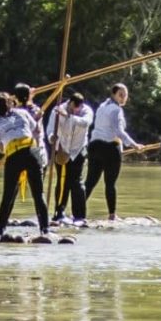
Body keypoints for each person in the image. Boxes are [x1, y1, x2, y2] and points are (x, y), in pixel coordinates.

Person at [0, 91, 50, 241]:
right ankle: (45, 229)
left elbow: (0, 148)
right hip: (31, 153)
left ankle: (0, 230)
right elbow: (35, 128)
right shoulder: (22, 113)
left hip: (14, 156)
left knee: (8, 196)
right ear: (11, 103)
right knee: (38, 194)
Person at [86, 83, 141, 221]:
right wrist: (134, 145)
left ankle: (77, 211)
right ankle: (112, 215)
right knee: (110, 183)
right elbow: (119, 131)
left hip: (94, 146)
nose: (123, 98)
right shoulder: (116, 110)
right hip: (110, 147)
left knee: (90, 181)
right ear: (113, 94)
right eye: (120, 95)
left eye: (125, 95)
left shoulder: (102, 107)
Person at [47, 91, 94, 225]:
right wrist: (51, 137)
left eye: (78, 108)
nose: (76, 110)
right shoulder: (57, 110)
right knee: (63, 181)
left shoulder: (86, 111)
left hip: (78, 148)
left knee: (77, 182)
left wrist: (68, 116)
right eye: (74, 107)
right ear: (70, 103)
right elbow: (50, 129)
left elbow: (85, 123)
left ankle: (79, 216)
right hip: (62, 148)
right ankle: (59, 213)